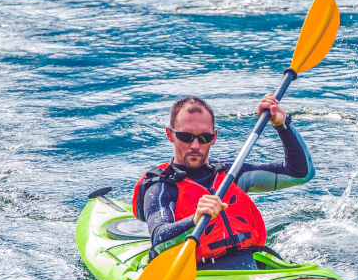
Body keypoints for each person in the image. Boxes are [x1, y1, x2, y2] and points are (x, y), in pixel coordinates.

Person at [132, 94, 314, 270]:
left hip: (248, 267)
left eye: (204, 138)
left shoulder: (231, 174)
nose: (195, 145)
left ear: (215, 137)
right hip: (195, 275)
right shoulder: (161, 186)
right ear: (170, 135)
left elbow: (300, 173)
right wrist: (194, 219)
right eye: (186, 137)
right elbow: (159, 239)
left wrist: (282, 124)